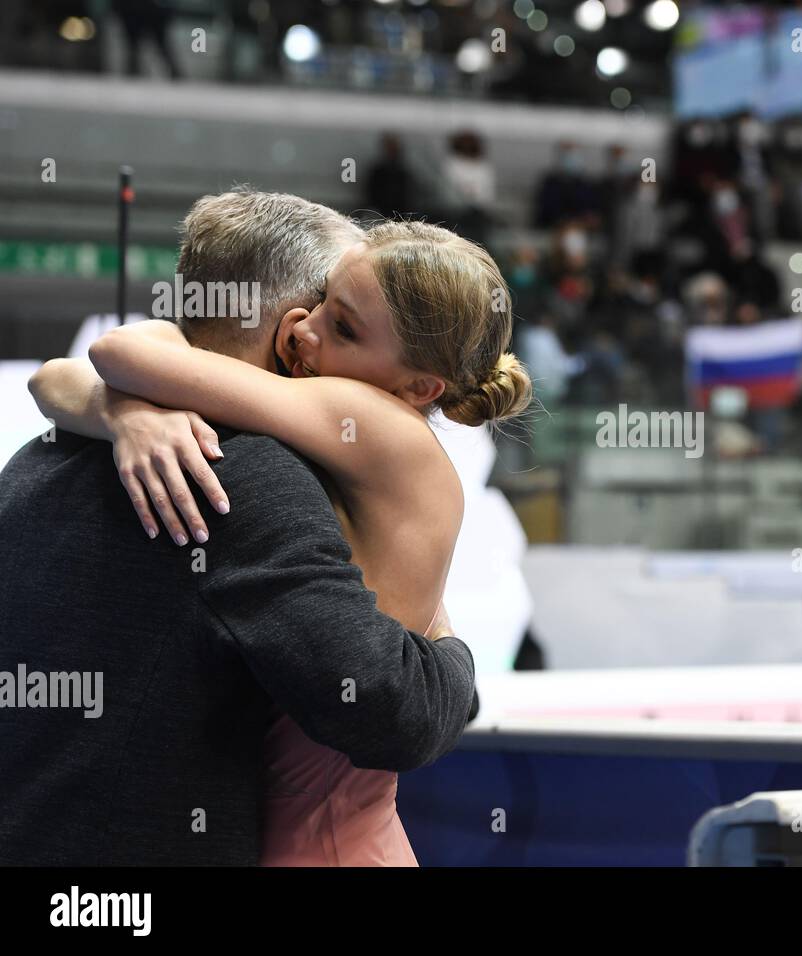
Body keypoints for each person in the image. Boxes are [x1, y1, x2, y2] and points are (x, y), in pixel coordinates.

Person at [23, 191, 529, 862]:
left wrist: (121, 411)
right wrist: (125, 413)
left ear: (420, 386)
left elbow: (113, 355)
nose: (305, 332)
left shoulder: (34, 465)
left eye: (342, 327)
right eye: (315, 306)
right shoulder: (284, 461)